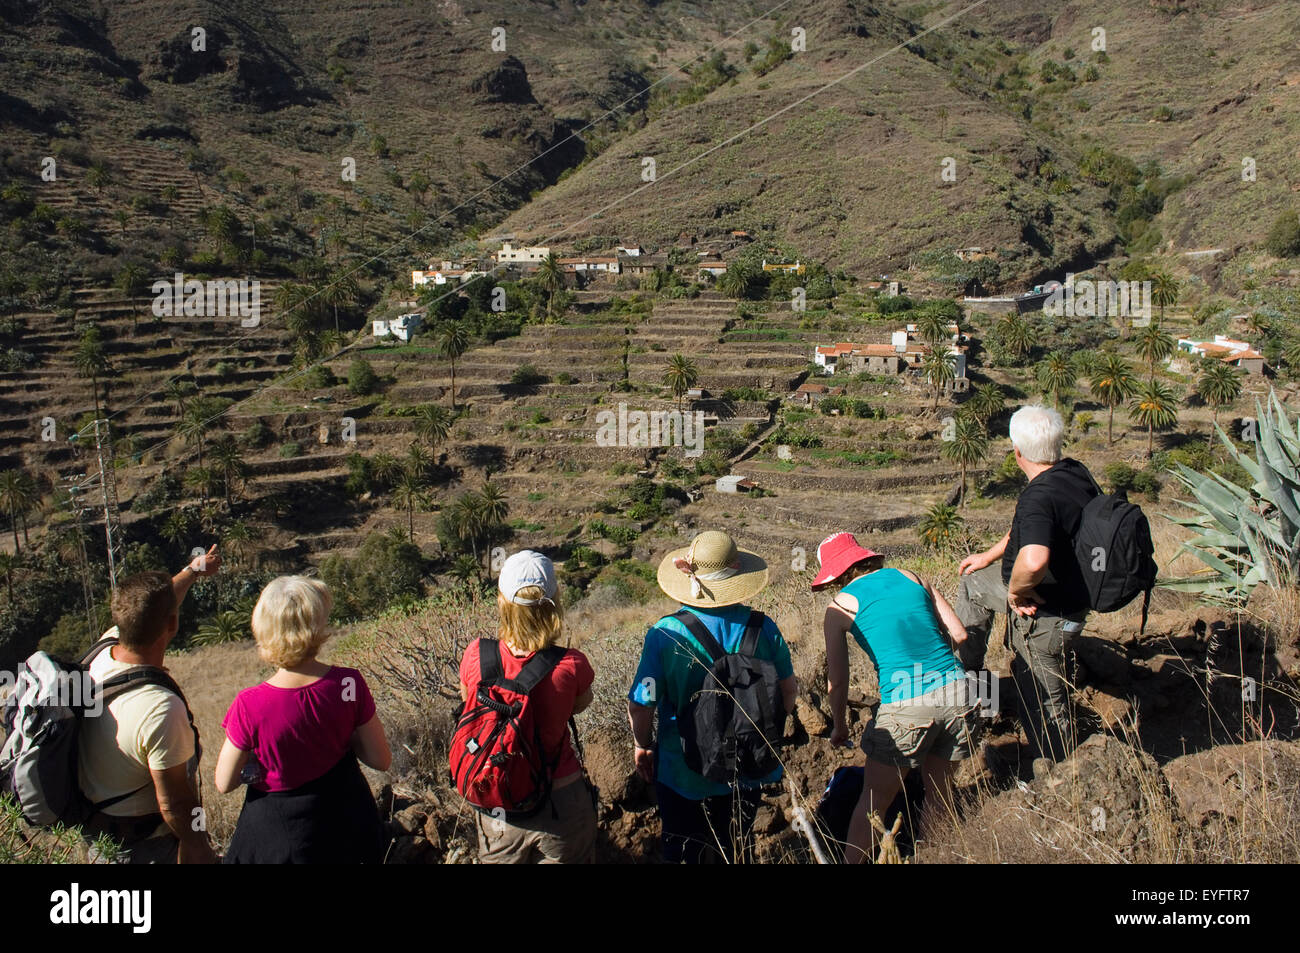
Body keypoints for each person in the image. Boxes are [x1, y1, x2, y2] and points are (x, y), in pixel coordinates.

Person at [628, 530, 797, 864]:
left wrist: (642, 745)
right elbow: (788, 691)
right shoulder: (764, 627)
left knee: (682, 850)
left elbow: (641, 702)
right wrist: (765, 731)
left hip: (682, 770)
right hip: (749, 767)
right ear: (737, 574)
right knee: (737, 846)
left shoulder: (664, 634)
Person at [814, 533, 981, 862]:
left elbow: (838, 680)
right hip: (960, 692)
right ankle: (938, 855)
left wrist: (839, 726)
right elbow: (960, 634)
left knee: (873, 802)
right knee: (941, 793)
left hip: (906, 706)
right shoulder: (913, 576)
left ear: (837, 573)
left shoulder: (839, 607)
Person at [954, 404, 1099, 764]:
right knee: (973, 584)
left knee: (1043, 699)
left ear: (1017, 451)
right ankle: (970, 685)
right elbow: (1030, 528)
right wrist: (988, 557)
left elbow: (1034, 559)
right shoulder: (1074, 473)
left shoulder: (1038, 495)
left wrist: (1018, 591)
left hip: (1047, 611)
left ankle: (1057, 776)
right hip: (1071, 594)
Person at [215, 576, 390, 863]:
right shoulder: (348, 684)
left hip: (279, 839)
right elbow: (380, 760)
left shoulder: (249, 704)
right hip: (346, 831)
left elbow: (224, 782)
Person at [78, 546, 222, 864]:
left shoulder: (103, 650)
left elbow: (153, 603)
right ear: (171, 626)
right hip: (147, 848)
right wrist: (198, 847)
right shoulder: (160, 709)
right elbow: (175, 805)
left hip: (99, 843)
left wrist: (194, 570)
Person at [457, 550, 596, 863]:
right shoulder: (572, 665)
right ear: (554, 603)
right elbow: (580, 705)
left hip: (498, 802)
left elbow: (467, 700)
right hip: (561, 802)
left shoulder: (476, 655)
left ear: (503, 602)